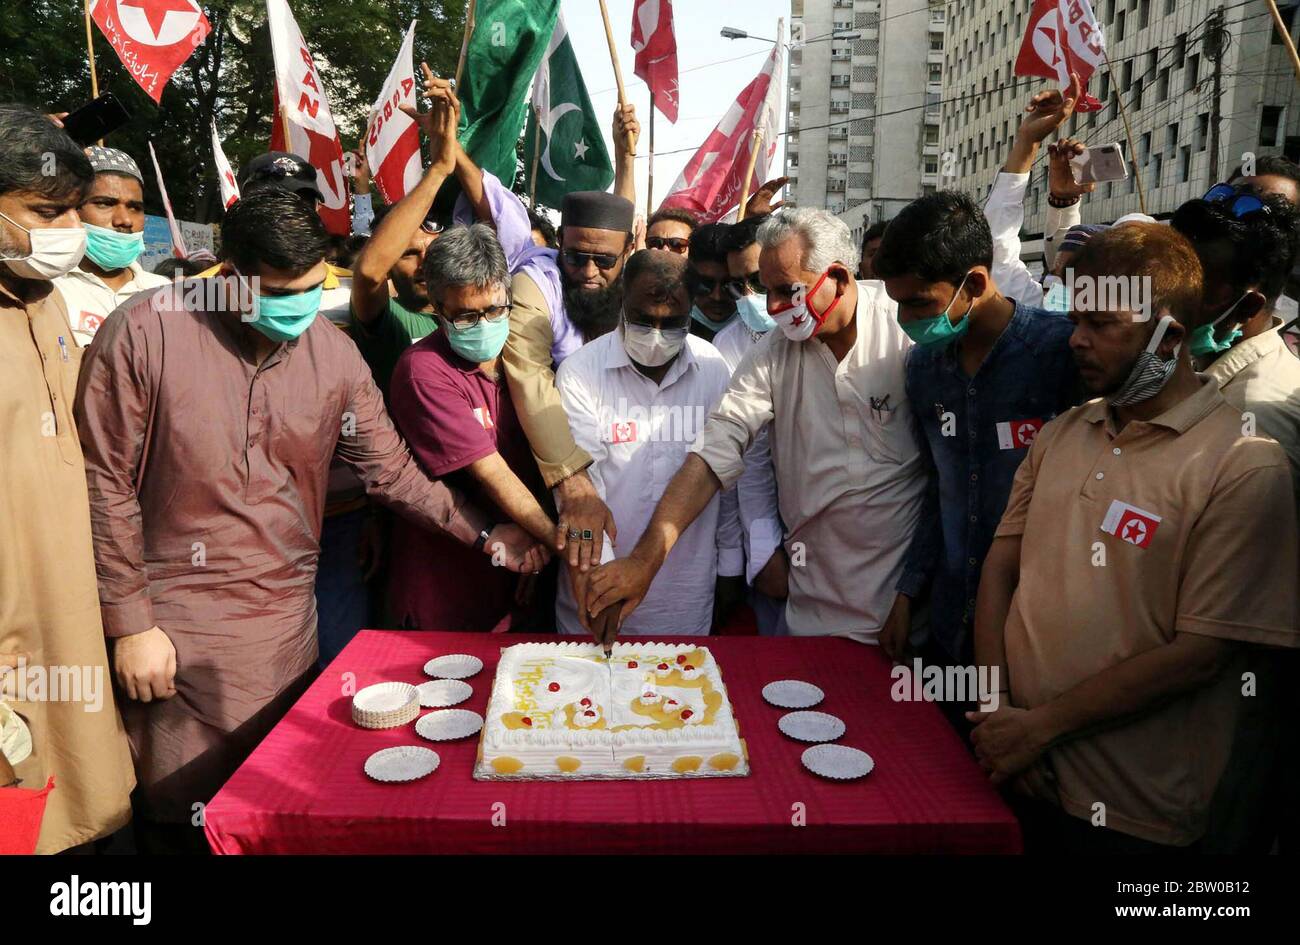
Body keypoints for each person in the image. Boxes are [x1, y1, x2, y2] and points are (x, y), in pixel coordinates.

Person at [74, 186, 545, 851]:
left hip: (286, 629)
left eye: (311, 287)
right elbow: (103, 484)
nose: (299, 307)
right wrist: (130, 624)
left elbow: (393, 473)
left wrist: (487, 533)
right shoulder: (147, 331)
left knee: (275, 806)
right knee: (183, 813)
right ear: (231, 276)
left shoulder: (332, 355)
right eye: (280, 293)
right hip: (173, 630)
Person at [971, 223, 1300, 853]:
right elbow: (1000, 571)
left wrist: (1039, 729)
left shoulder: (1244, 466)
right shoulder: (1064, 433)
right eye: (1076, 319)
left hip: (1137, 814)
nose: (1077, 340)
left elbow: (1202, 652)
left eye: (1102, 324)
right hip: (1020, 774)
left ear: (1169, 336)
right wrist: (998, 714)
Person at [584, 209, 925, 644]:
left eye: (787, 291)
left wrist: (915, 584)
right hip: (814, 599)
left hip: (906, 600)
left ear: (838, 277)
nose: (773, 308)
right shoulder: (773, 354)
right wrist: (644, 562)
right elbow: (716, 450)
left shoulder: (905, 329)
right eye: (767, 291)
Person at [0, 103, 135, 853]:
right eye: (42, 213)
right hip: (9, 657)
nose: (63, 235)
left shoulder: (46, 300)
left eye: (65, 214)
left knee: (84, 812)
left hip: (72, 631)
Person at [873, 191, 1079, 678]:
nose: (907, 321)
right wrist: (908, 592)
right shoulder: (924, 369)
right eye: (898, 304)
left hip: (1035, 632)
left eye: (919, 303)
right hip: (947, 627)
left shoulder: (1061, 354)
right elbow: (937, 489)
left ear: (976, 282)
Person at [555, 250, 735, 638]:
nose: (656, 335)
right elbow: (582, 496)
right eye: (643, 320)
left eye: (671, 323)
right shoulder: (580, 373)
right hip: (593, 600)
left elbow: (725, 478)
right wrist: (600, 588)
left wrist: (731, 569)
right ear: (622, 300)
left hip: (683, 602)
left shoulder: (714, 369)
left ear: (692, 312)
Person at [387, 224, 556, 630]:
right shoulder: (424, 371)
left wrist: (542, 554)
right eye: (466, 315)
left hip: (522, 570)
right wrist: (565, 547)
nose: (484, 324)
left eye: (495, 310)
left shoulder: (527, 356)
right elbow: (492, 474)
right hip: (450, 582)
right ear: (436, 306)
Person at [504, 189, 637, 588]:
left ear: (628, 250)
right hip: (554, 474)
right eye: (576, 257)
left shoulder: (639, 288)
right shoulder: (537, 283)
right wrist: (573, 486)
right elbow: (530, 378)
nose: (589, 273)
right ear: (561, 240)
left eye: (605, 260)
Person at [711, 215, 787, 635]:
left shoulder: (816, 332)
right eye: (739, 284)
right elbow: (745, 462)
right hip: (765, 530)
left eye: (759, 280)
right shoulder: (728, 345)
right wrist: (762, 550)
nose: (750, 295)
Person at [52, 145, 170, 347]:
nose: (124, 220)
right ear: (71, 209)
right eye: (105, 204)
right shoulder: (48, 290)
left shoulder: (164, 291)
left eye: (135, 207)